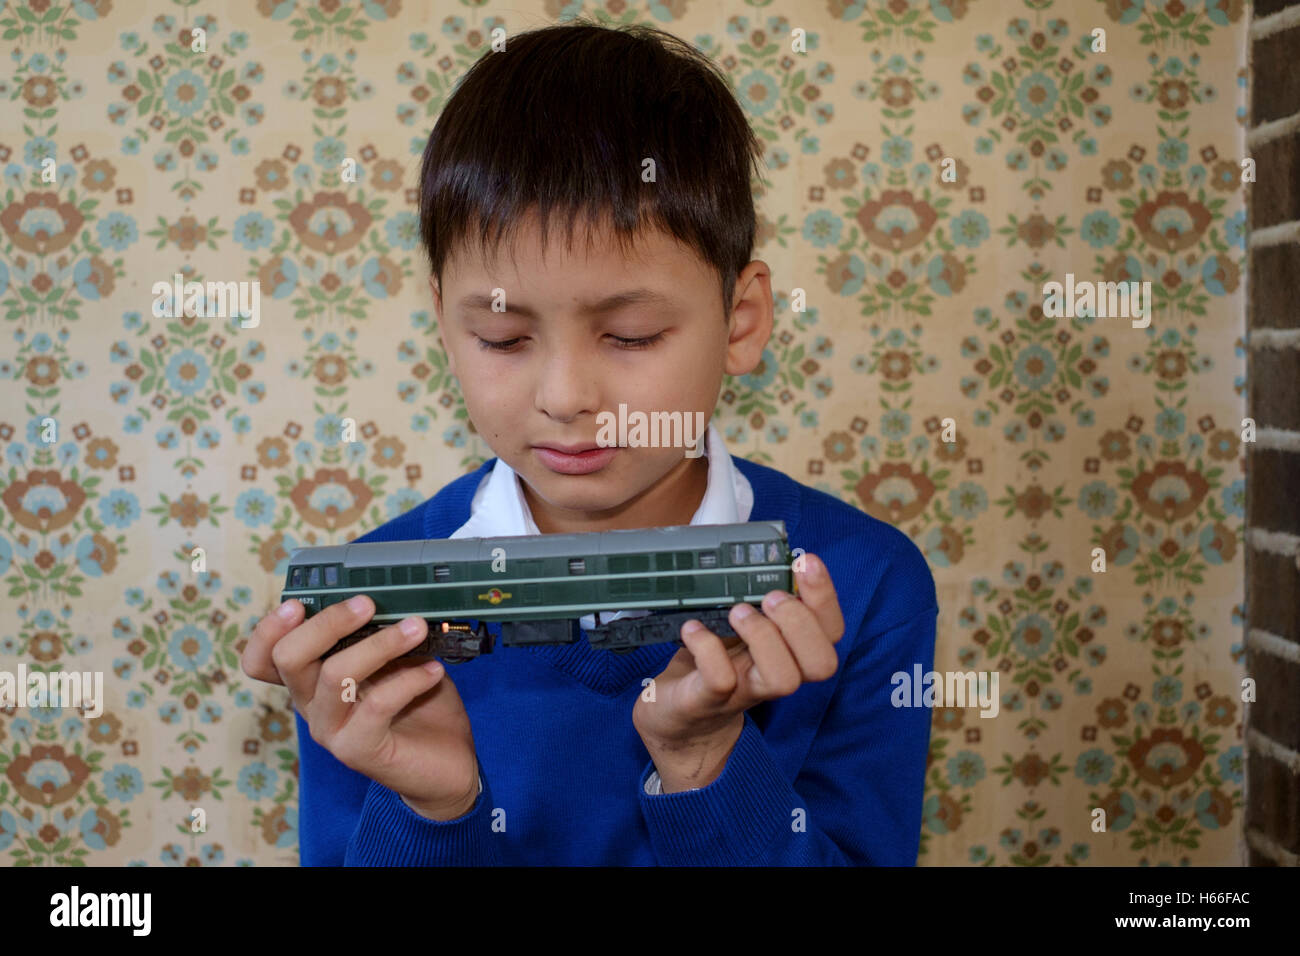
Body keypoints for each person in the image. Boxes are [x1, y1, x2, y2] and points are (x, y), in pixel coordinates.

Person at [241, 19, 938, 865]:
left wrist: (705, 764)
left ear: (741, 322)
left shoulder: (863, 583)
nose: (567, 399)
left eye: (633, 335)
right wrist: (430, 808)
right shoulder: (373, 624)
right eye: (502, 339)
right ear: (443, 325)